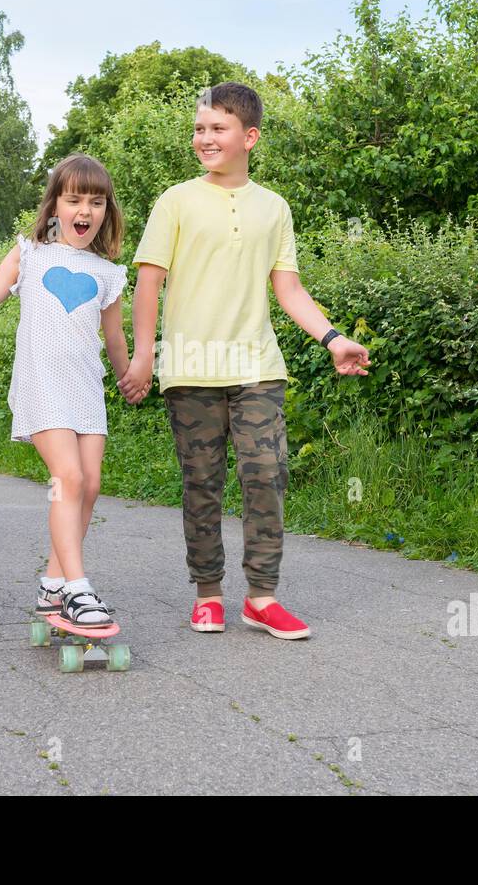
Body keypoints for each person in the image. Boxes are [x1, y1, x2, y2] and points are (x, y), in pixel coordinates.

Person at [120, 82, 371, 640]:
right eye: (199, 128)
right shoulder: (176, 200)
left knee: (265, 475)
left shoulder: (274, 208)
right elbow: (148, 283)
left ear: (249, 137)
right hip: (189, 369)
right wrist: (143, 356)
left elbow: (290, 290)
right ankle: (208, 594)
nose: (205, 138)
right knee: (202, 483)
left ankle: (262, 596)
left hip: (258, 367)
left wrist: (333, 339)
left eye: (218, 128)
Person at [0, 154, 135, 627]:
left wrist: (128, 375)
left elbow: (114, 339)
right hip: (41, 386)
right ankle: (78, 589)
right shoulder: (30, 253)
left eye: (96, 202)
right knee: (67, 480)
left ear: (106, 210)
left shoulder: (107, 273)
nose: (86, 210)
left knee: (89, 486)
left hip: (85, 390)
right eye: (74, 198)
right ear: (55, 204)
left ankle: (54, 585)